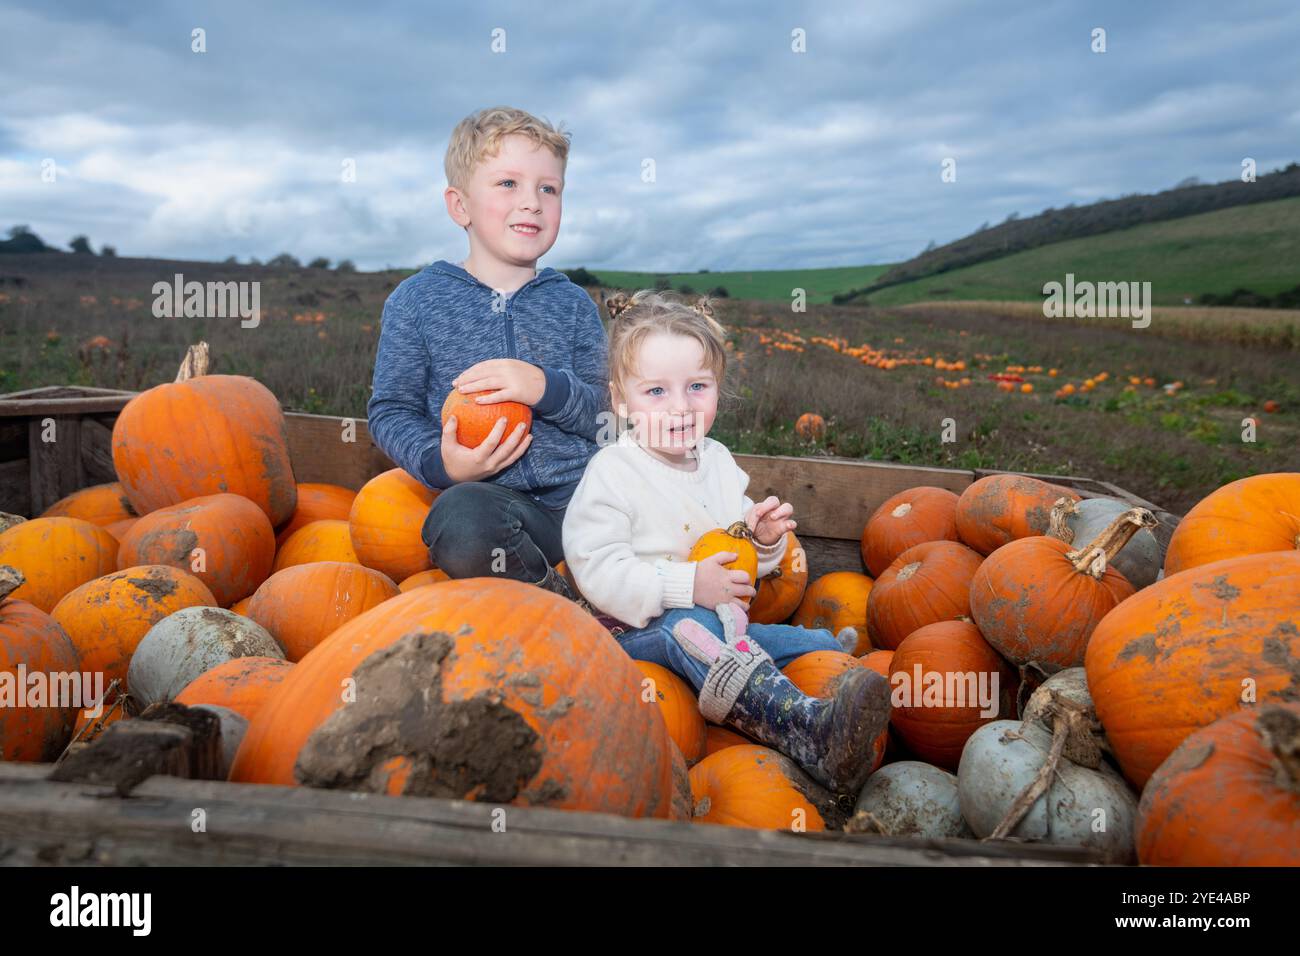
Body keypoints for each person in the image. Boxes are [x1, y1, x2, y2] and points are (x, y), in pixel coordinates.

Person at [561, 290, 891, 796]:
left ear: (717, 389)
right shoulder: (613, 472)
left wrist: (760, 542)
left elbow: (742, 560)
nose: (680, 406)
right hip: (630, 632)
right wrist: (687, 584)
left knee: (786, 642)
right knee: (690, 628)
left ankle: (838, 661)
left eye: (697, 386)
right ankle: (806, 732)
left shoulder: (716, 461)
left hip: (722, 624)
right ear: (620, 401)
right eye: (656, 392)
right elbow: (598, 568)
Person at [367, 106, 607, 598]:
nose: (533, 203)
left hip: (589, 503)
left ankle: (631, 602)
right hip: (501, 511)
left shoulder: (574, 305)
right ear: (460, 207)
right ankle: (566, 610)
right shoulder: (416, 301)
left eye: (548, 188)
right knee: (460, 522)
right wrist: (442, 463)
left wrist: (547, 388)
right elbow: (391, 410)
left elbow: (609, 415)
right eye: (508, 184)